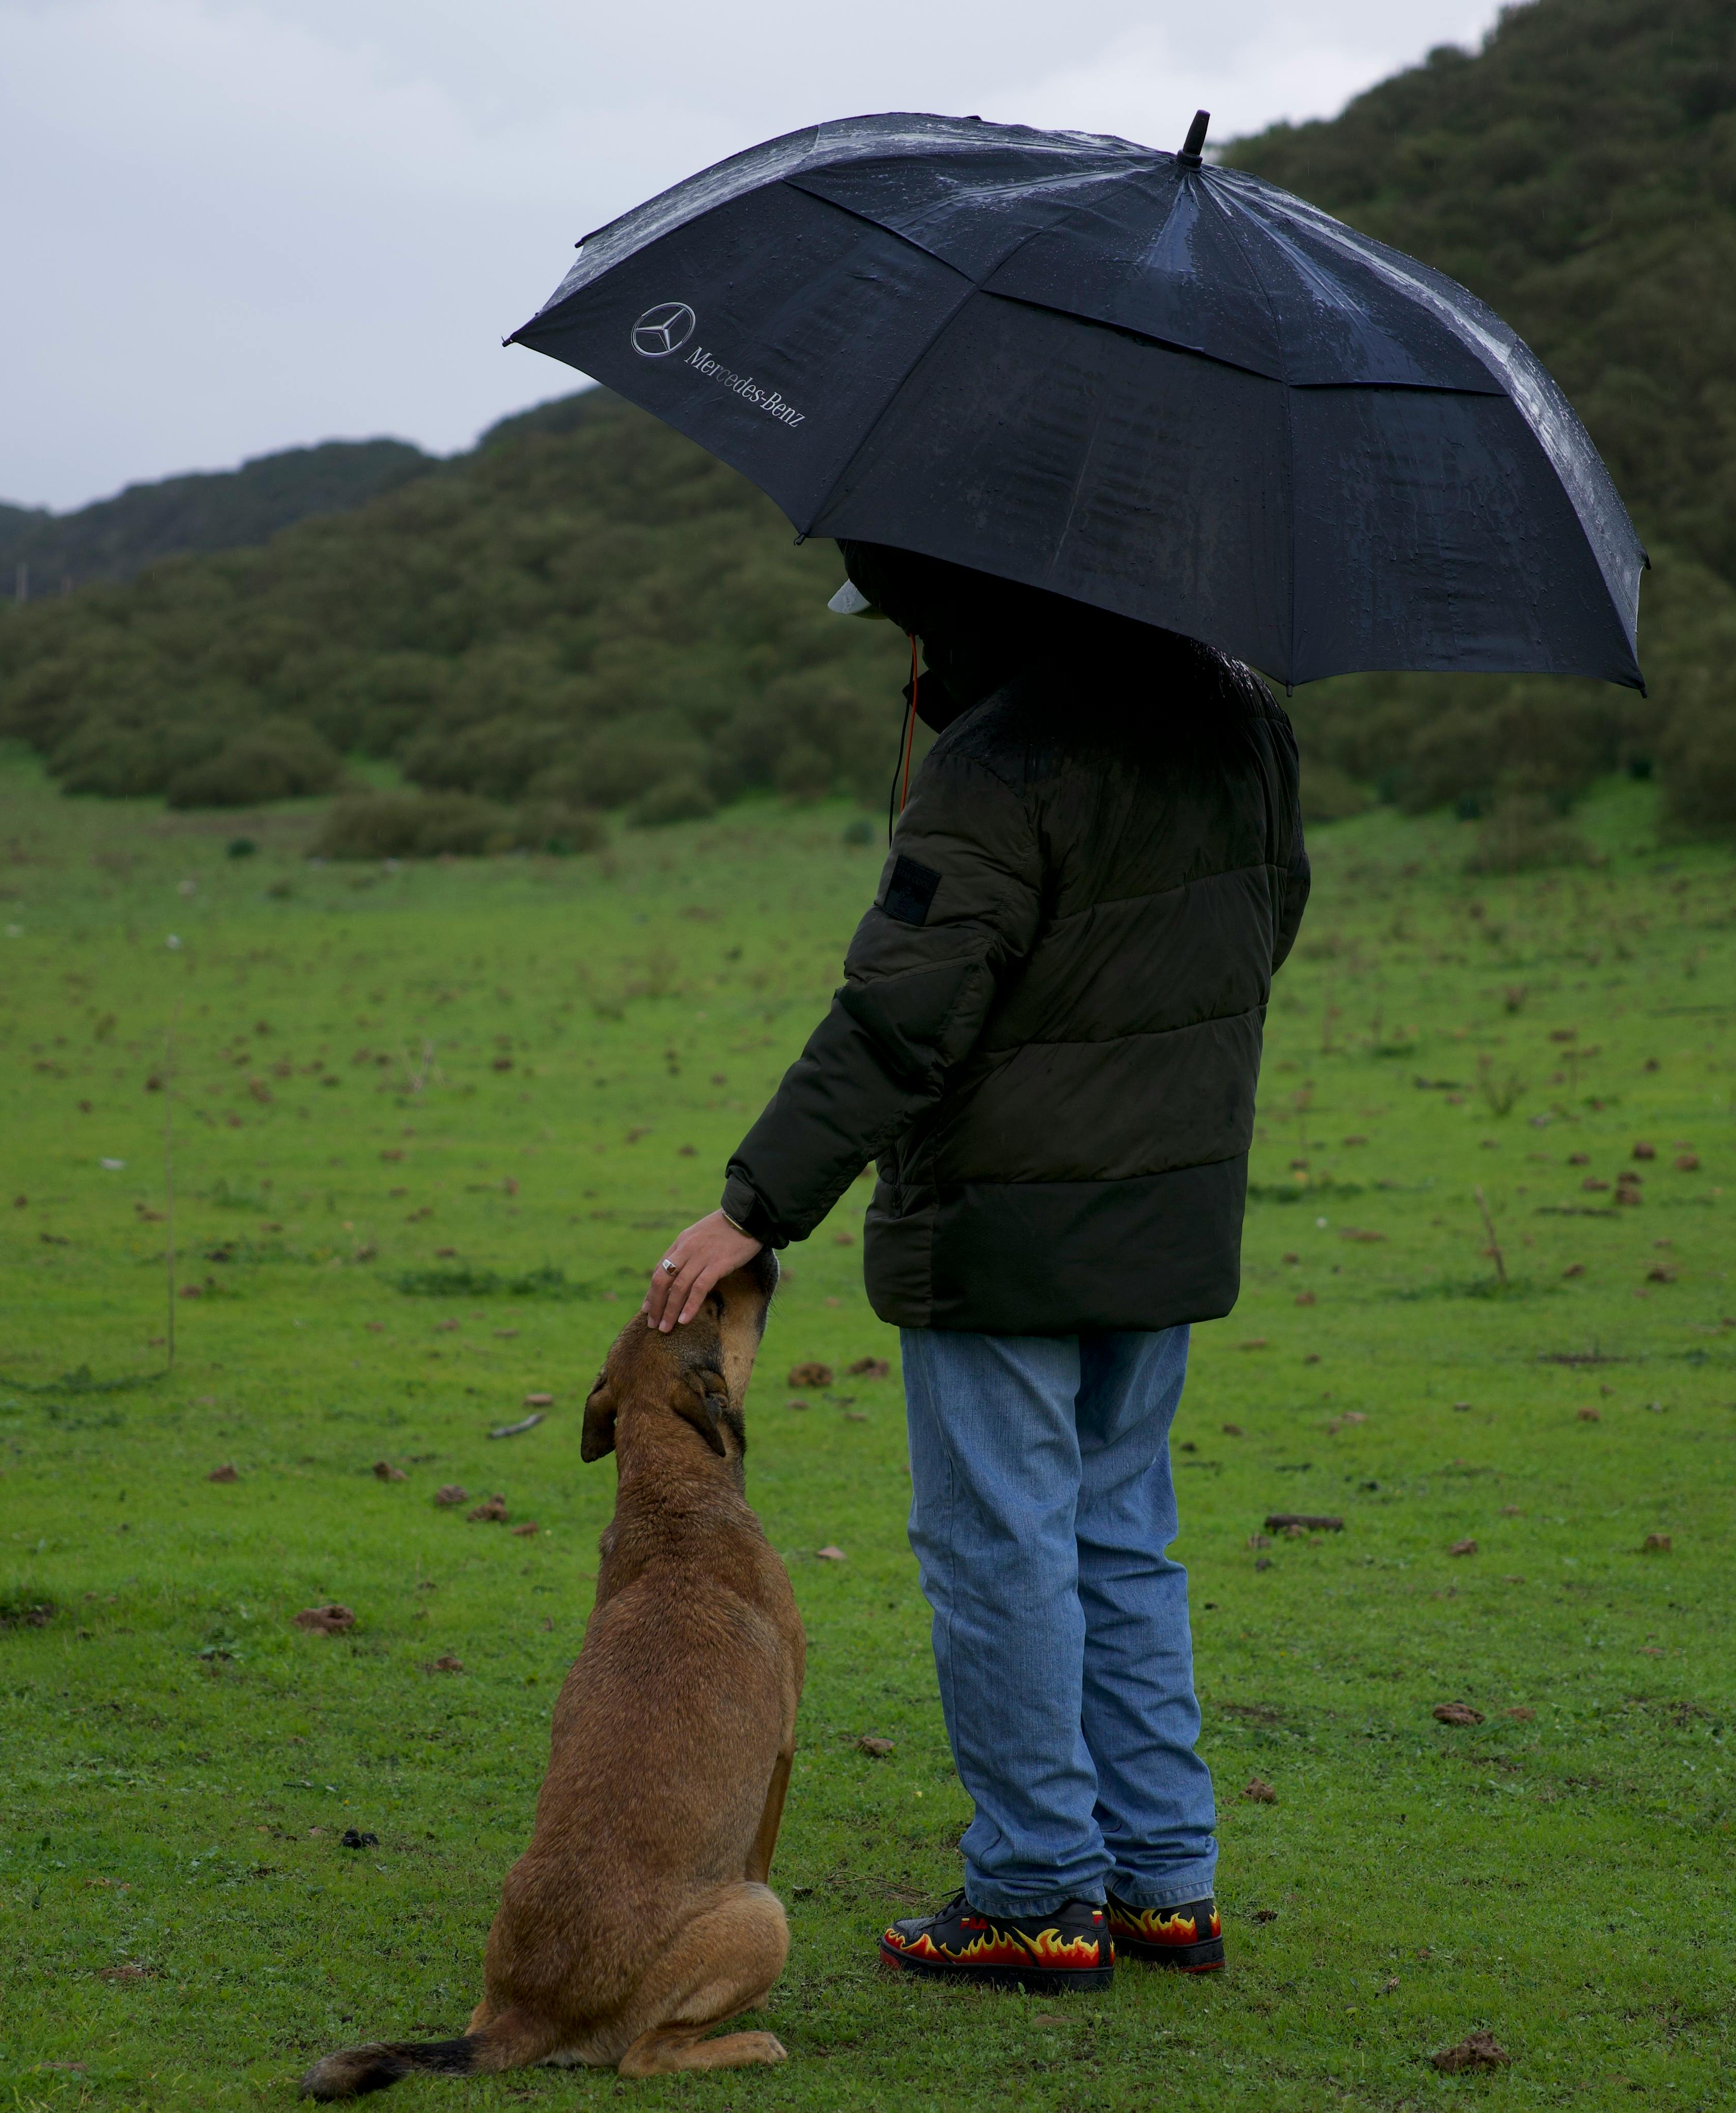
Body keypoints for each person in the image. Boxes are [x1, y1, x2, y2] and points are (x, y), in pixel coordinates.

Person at [640, 540, 1309, 1993]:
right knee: (1122, 1535)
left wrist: (755, 1204)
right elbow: (1267, 929)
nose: (908, 650)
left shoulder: (1005, 757)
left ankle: (1030, 1896)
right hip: (1170, 1212)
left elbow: (903, 1015)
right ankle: (1162, 1886)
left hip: (1006, 1225)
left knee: (1000, 1546)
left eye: (912, 616)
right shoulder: (1245, 715)